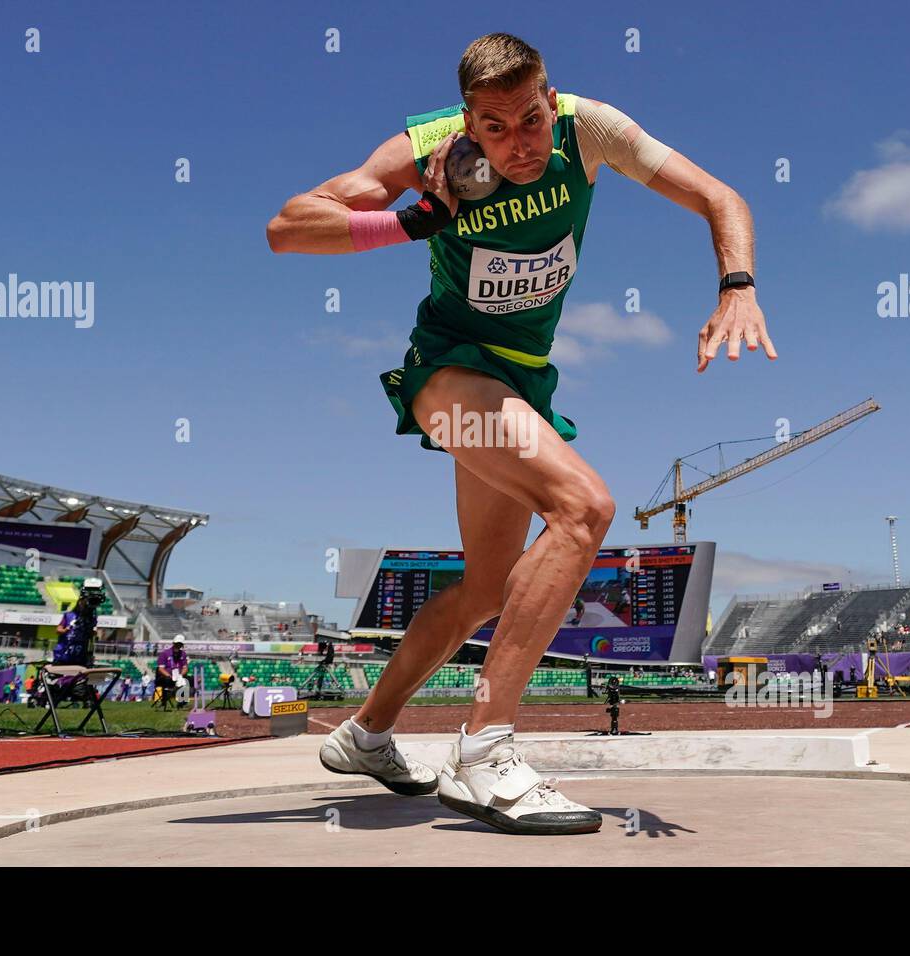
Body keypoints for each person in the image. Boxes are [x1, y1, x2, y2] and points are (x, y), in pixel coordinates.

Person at [272, 33, 774, 835]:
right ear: (467, 121)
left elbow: (722, 197)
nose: (518, 144)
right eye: (494, 128)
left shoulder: (593, 130)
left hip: (522, 381)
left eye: (530, 120)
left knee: (483, 586)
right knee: (584, 508)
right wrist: (416, 221)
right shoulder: (427, 150)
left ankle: (367, 733)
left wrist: (737, 284)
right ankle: (484, 749)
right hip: (449, 371)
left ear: (550, 97)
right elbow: (290, 228)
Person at [155, 635, 190, 708]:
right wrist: (168, 675)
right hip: (166, 676)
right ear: (173, 643)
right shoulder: (165, 653)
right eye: (177, 644)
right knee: (167, 680)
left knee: (186, 680)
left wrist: (181, 675)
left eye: (180, 644)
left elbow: (185, 667)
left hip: (178, 675)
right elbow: (161, 669)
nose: (178, 646)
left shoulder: (183, 654)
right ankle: (164, 702)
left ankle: (182, 702)